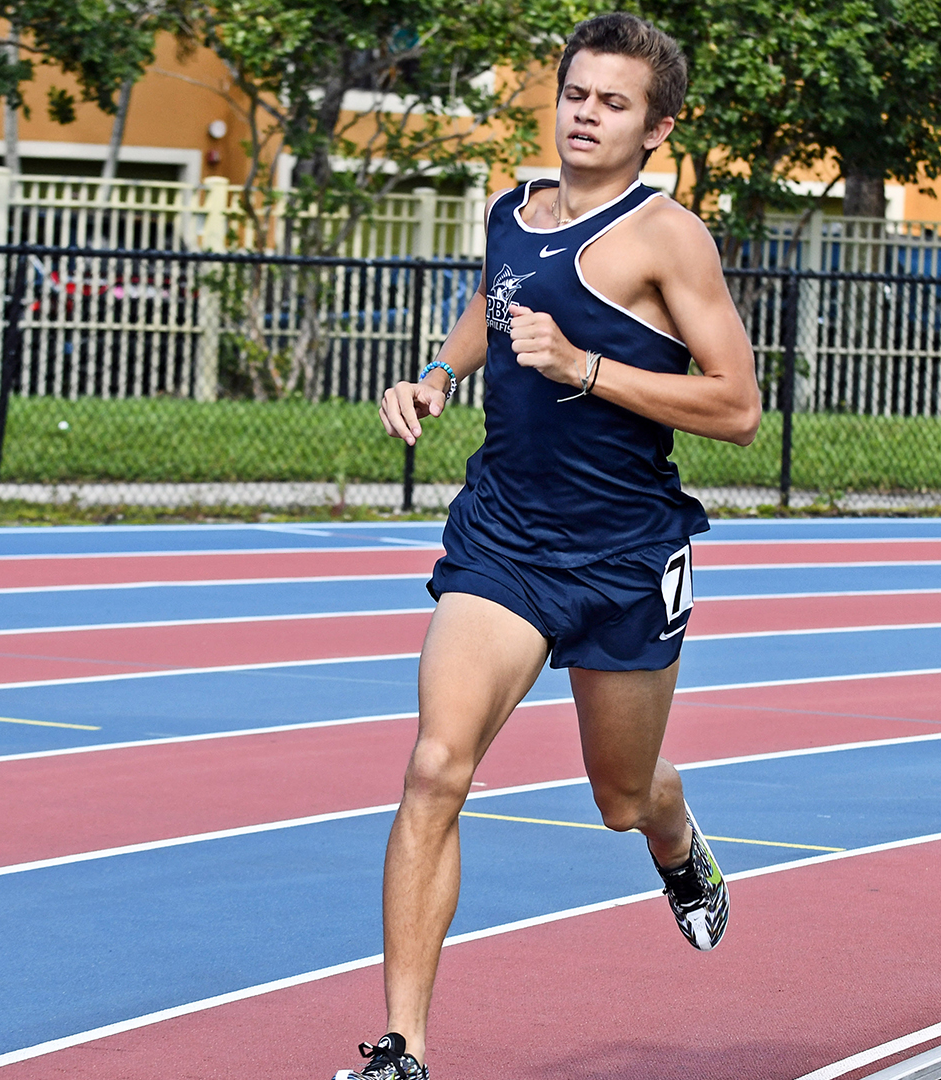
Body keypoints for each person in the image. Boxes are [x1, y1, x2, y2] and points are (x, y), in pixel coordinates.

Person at [338, 13, 761, 1080]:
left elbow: (737, 406)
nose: (586, 114)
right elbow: (497, 296)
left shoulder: (668, 237)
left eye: (613, 103)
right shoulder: (510, 212)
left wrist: (585, 369)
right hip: (506, 540)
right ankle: (403, 1049)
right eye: (577, 93)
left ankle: (674, 833)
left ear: (656, 127)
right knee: (436, 768)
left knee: (619, 798)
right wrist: (440, 374)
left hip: (623, 553)